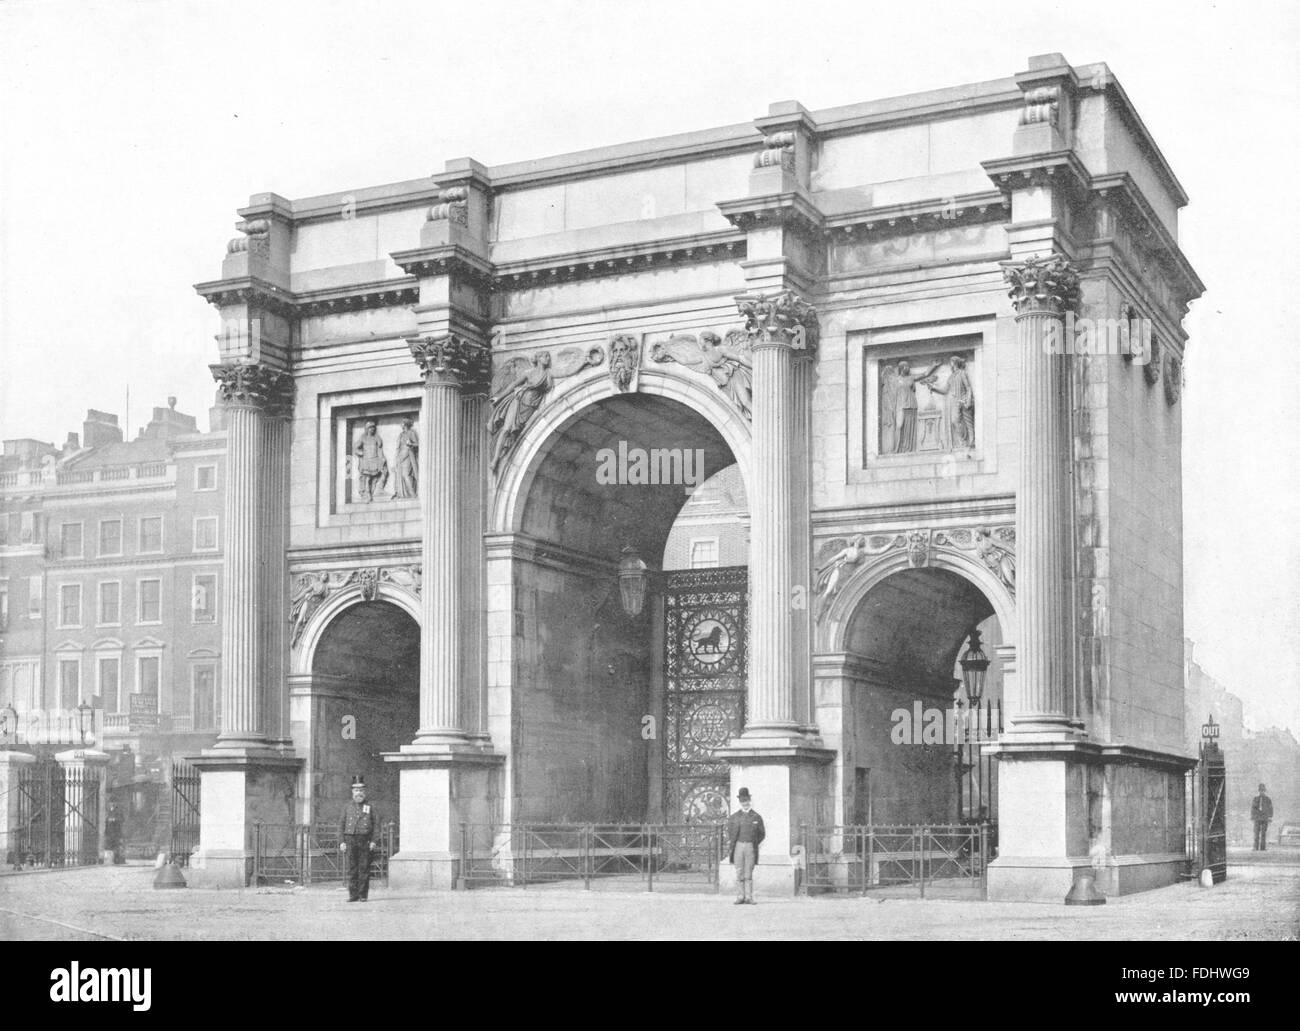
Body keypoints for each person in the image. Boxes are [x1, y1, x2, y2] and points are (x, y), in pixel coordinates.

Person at [339, 776, 378, 901]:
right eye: (356, 790)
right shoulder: (347, 807)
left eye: (361, 790)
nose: (358, 793)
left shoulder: (370, 806)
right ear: (352, 792)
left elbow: (376, 825)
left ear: (364, 792)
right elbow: (341, 825)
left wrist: (373, 841)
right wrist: (342, 841)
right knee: (352, 868)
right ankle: (353, 895)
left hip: (365, 840)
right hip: (350, 839)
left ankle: (362, 895)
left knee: (364, 868)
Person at [726, 787, 765, 905]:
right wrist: (737, 843)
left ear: (750, 800)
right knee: (739, 872)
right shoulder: (734, 817)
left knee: (749, 872)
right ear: (740, 802)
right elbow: (730, 832)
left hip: (750, 847)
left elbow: (762, 834)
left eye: (746, 800)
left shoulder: (756, 817)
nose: (745, 803)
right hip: (738, 846)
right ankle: (740, 896)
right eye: (742, 801)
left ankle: (748, 897)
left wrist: (753, 843)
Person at [353, 421, 388, 502]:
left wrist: (382, 459)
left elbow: (379, 447)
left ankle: (372, 493)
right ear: (367, 429)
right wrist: (360, 453)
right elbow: (355, 447)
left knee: (375, 477)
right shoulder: (363, 438)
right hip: (367, 460)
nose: (372, 429)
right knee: (368, 477)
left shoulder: (376, 438)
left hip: (375, 460)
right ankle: (367, 493)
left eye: (373, 427)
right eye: (370, 428)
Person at [393, 417, 418, 499]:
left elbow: (417, 444)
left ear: (405, 424)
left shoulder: (411, 433)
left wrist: (411, 444)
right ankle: (403, 494)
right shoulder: (401, 435)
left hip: (408, 455)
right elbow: (398, 447)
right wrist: (396, 459)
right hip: (401, 456)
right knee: (400, 475)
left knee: (406, 475)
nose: (401, 424)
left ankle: (413, 494)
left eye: (402, 423)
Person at [1251, 783, 1274, 851]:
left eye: (1263, 790)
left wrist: (1270, 816)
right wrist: (1252, 816)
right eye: (1261, 790)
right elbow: (1253, 808)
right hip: (1257, 818)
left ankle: (1263, 848)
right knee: (1256, 833)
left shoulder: (1268, 799)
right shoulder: (1255, 799)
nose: (1262, 792)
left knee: (1263, 833)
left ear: (1265, 791)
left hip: (1265, 818)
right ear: (1259, 791)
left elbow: (1270, 808)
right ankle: (1255, 847)